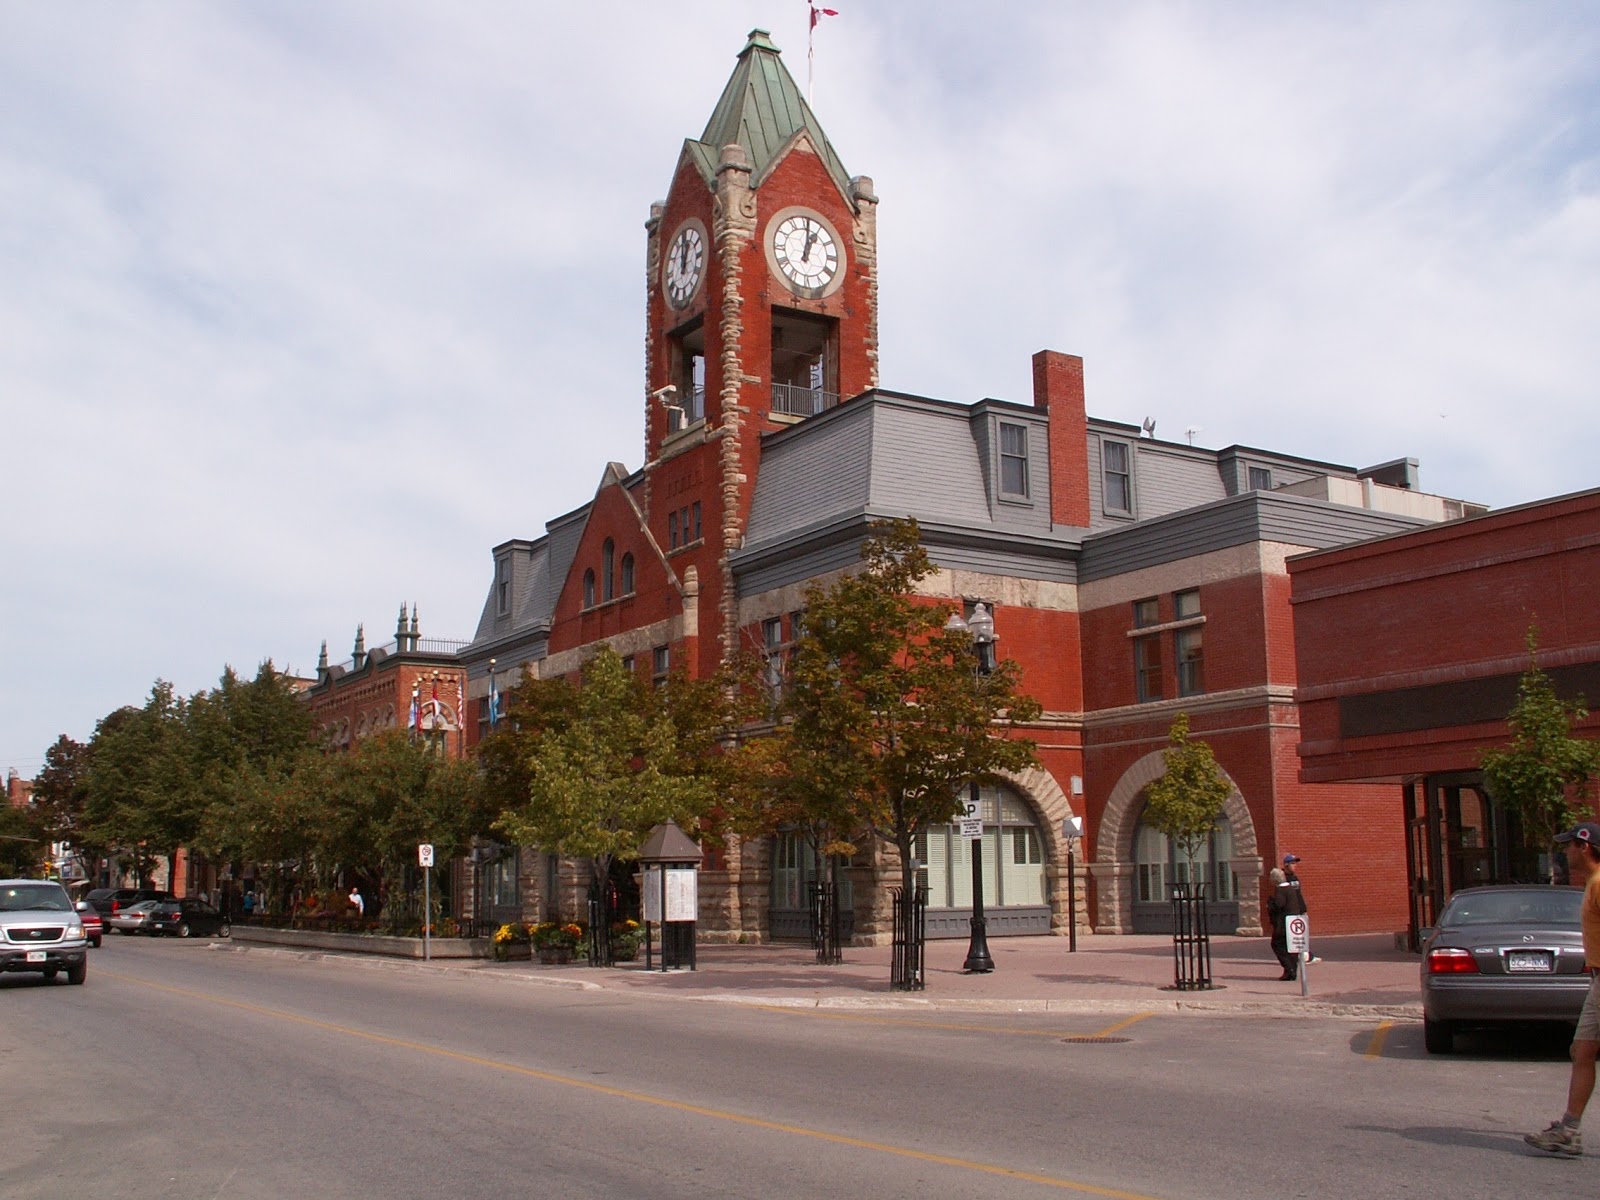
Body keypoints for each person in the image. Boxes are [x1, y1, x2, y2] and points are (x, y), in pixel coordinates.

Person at [1526, 820, 1600, 1157]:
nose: (1565, 850)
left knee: (1582, 1051)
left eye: (1569, 844)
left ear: (1583, 846)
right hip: (1598, 979)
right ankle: (1569, 1130)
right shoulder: (1591, 883)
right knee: (1581, 1050)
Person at [1266, 867, 1297, 979]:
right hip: (1293, 922)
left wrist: (1270, 904)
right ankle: (1291, 970)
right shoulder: (1291, 889)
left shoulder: (1280, 890)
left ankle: (1289, 968)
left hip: (1283, 924)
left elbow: (1279, 905)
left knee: (1277, 945)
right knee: (1291, 947)